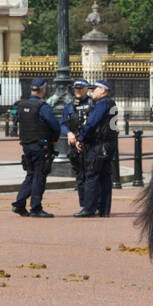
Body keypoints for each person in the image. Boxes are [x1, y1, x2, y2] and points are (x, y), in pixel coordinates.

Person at [12, 78, 60, 218]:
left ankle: (19, 204)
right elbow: (54, 125)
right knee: (39, 176)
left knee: (31, 174)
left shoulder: (22, 105)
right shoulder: (42, 106)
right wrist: (54, 139)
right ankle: (35, 207)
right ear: (43, 89)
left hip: (27, 144)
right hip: (41, 145)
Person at [75, 80, 119, 217]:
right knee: (105, 176)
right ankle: (104, 209)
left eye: (95, 89)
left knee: (92, 174)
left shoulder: (102, 104)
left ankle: (89, 208)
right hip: (110, 143)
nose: (92, 91)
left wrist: (81, 138)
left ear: (103, 91)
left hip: (99, 144)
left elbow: (91, 123)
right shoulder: (111, 103)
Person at [62, 79, 94, 214]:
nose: (78, 91)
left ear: (87, 89)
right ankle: (84, 205)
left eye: (80, 88)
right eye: (76, 88)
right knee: (80, 176)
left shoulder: (93, 104)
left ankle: (93, 204)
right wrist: (69, 133)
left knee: (91, 175)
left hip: (90, 144)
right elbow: (62, 123)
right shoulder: (69, 106)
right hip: (75, 145)